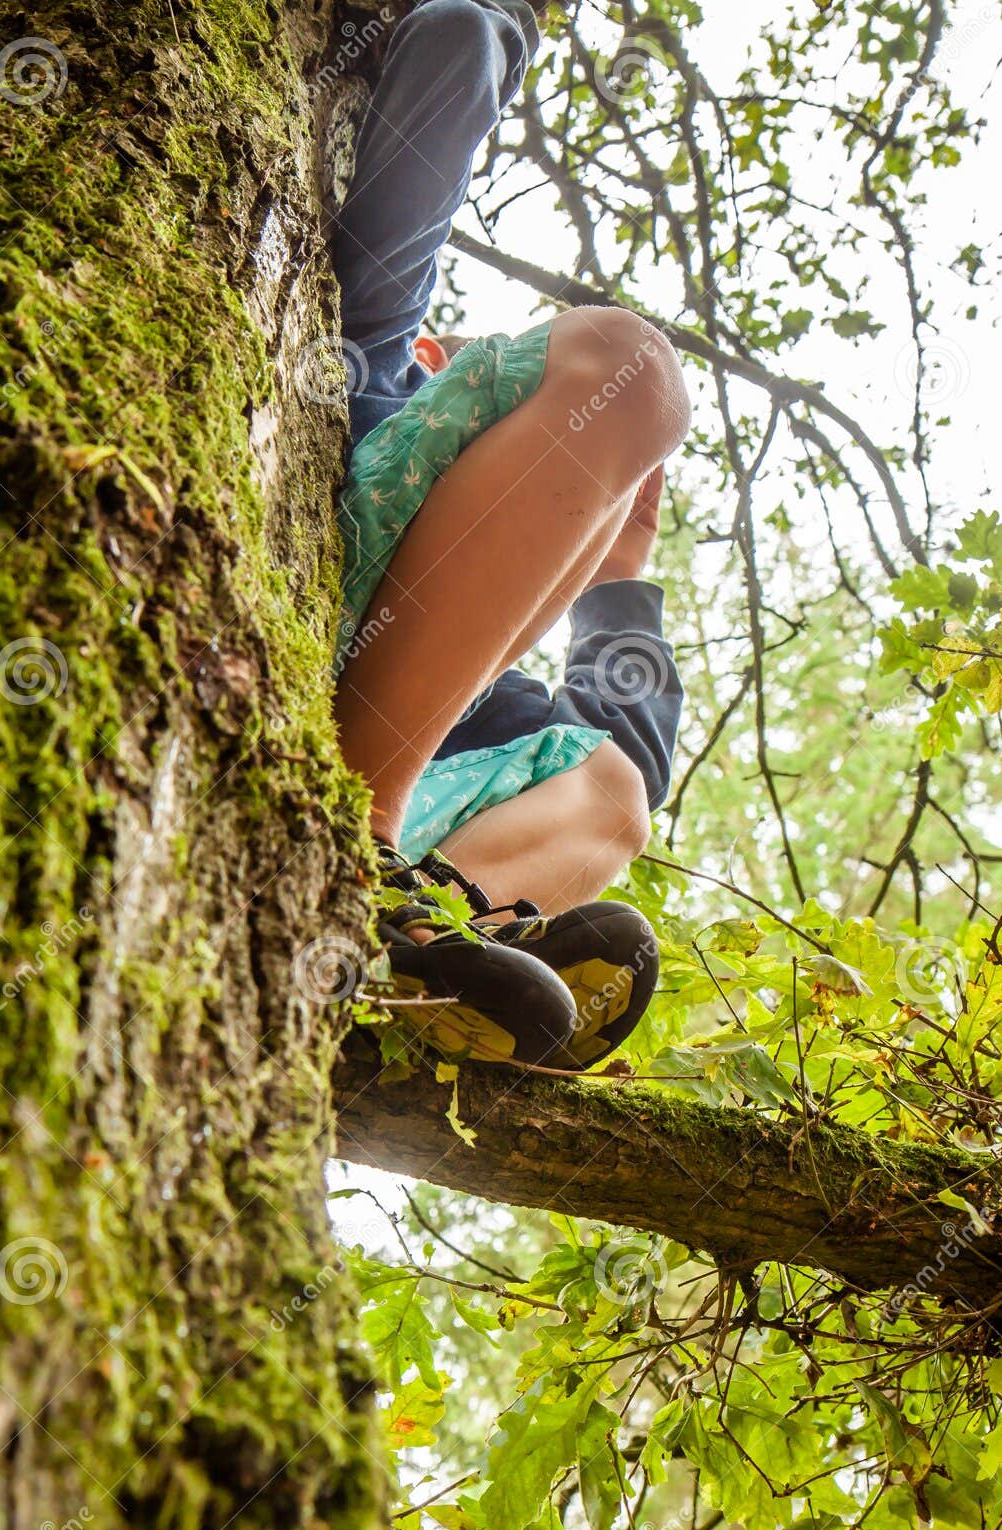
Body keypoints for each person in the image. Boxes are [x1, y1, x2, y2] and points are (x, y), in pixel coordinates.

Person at [330, 0, 691, 1070]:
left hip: (390, 745)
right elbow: (447, 52)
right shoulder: (365, 368)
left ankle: (426, 946)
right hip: (321, 637)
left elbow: (619, 761)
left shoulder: (474, 687)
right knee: (632, 374)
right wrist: (498, 28)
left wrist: (617, 580)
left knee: (615, 786)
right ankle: (361, 861)